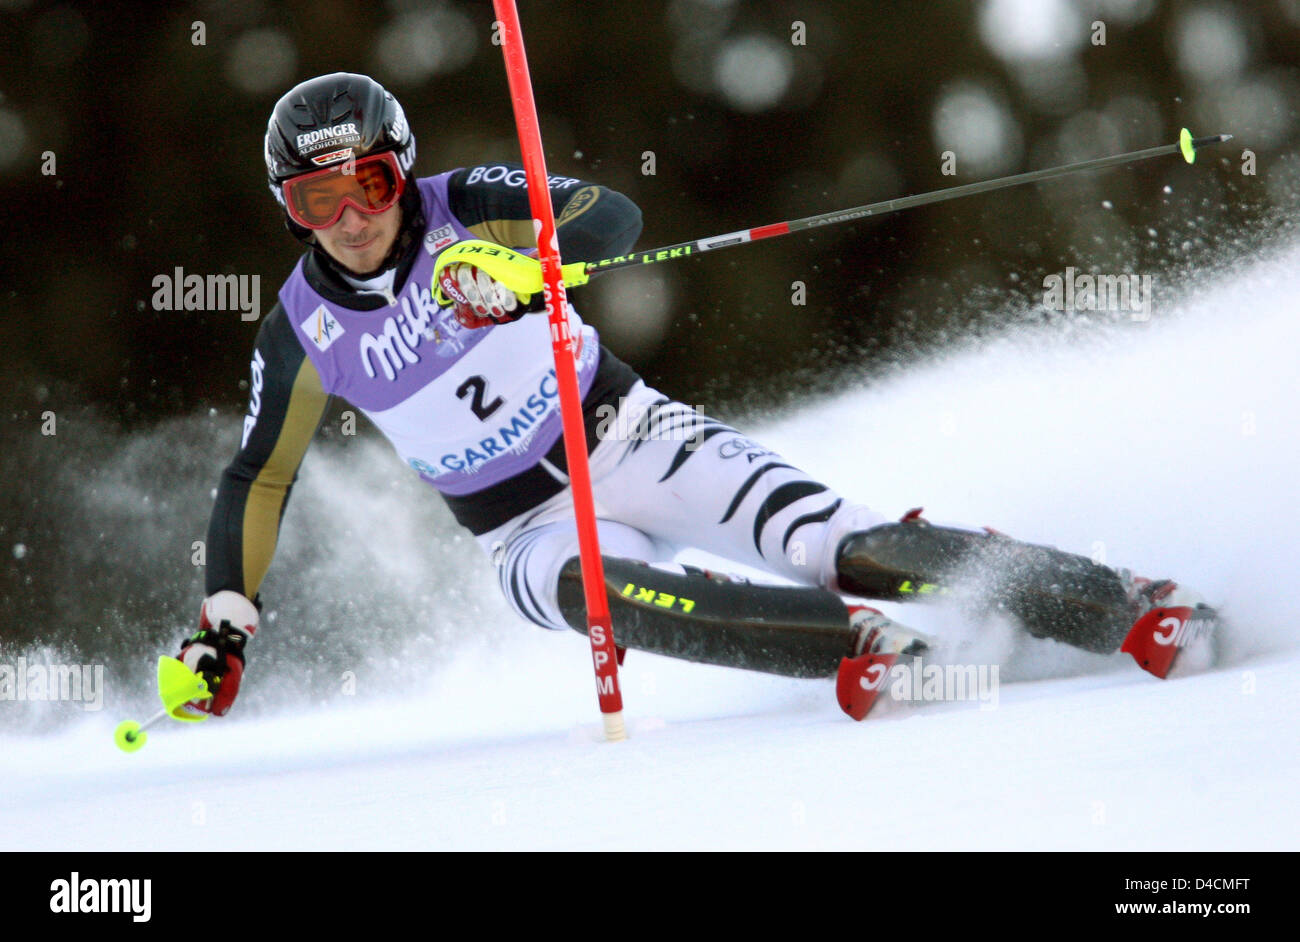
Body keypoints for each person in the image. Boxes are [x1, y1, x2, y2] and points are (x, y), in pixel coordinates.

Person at [177, 73, 1215, 723]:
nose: (351, 216)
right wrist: (227, 622)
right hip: (520, 529)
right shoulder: (302, 329)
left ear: (403, 172)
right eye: (318, 198)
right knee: (600, 599)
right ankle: (848, 649)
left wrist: (533, 264)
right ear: (288, 210)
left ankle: (1122, 604)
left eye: (369, 183)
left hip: (629, 435)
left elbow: (606, 214)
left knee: (837, 544)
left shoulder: (468, 204)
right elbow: (257, 476)